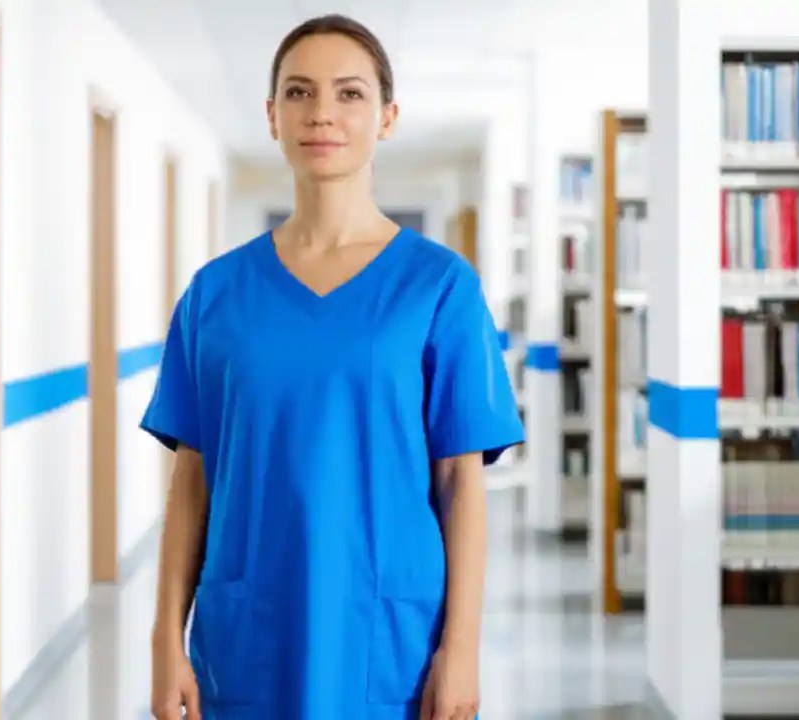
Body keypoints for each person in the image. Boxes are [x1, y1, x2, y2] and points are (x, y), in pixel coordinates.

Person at [142, 13, 524, 720]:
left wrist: (461, 649)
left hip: (391, 634)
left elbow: (460, 484)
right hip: (249, 623)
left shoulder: (439, 287)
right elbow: (191, 481)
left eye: (349, 93)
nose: (322, 113)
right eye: (298, 92)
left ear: (387, 116)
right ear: (271, 114)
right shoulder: (215, 295)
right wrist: (168, 638)